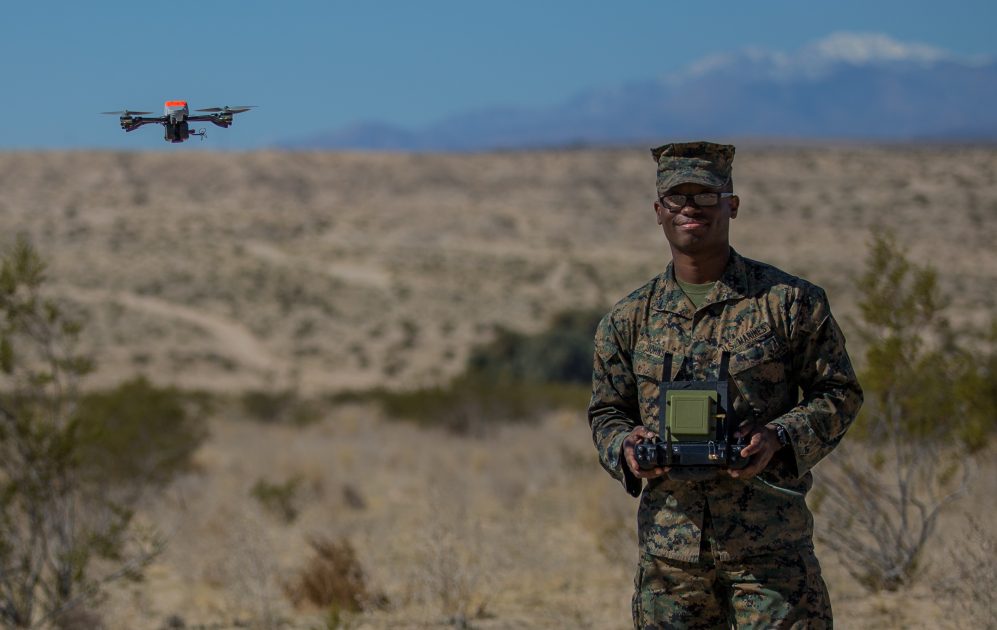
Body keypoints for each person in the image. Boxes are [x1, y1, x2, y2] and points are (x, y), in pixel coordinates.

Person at [587, 141, 863, 629]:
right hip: (671, 560)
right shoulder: (629, 319)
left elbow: (839, 392)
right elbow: (607, 412)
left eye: (706, 195)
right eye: (677, 196)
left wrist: (779, 437)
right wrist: (626, 448)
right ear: (658, 210)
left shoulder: (788, 303)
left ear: (731, 205)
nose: (691, 207)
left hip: (771, 553)